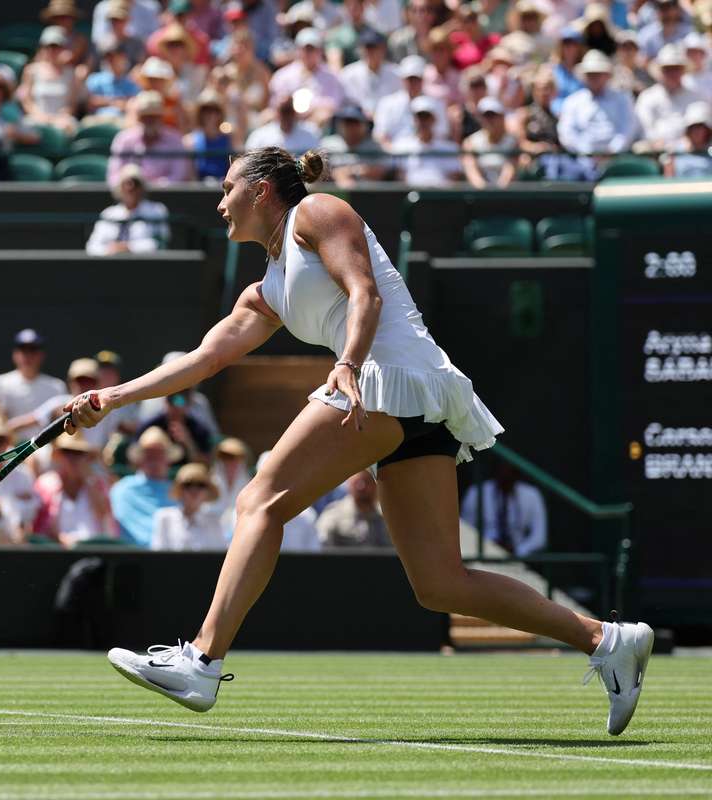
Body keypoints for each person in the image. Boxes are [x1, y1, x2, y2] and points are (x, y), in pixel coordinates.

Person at [71, 146, 649, 737]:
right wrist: (110, 398)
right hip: (415, 404)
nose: (219, 204)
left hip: (387, 380)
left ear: (262, 190)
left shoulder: (317, 211)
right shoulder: (265, 290)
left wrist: (346, 362)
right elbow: (203, 361)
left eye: (227, 189)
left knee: (259, 500)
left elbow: (364, 292)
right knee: (441, 584)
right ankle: (606, 639)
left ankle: (202, 659)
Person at [32, 431, 115, 545]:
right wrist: (61, 541)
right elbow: (39, 525)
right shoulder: (45, 483)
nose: (73, 458)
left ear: (87, 457)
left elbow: (105, 517)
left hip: (93, 548)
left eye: (78, 453)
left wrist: (89, 482)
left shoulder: (98, 484)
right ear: (59, 456)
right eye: (67, 452)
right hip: (55, 549)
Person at [558, 50, 638, 161]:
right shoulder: (572, 102)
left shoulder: (622, 99)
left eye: (598, 74)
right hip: (581, 159)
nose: (594, 78)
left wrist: (612, 151)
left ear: (607, 75)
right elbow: (567, 133)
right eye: (590, 74)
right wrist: (587, 153)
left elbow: (628, 128)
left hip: (617, 158)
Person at [108, 426, 181, 545]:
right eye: (149, 454)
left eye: (159, 454)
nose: (154, 460)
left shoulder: (179, 490)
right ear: (140, 458)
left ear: (168, 459)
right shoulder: (123, 489)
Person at [461, 461, 547, 557]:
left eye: (511, 470)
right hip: (483, 555)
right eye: (503, 468)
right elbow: (465, 531)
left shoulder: (531, 495)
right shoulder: (476, 492)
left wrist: (518, 551)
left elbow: (539, 537)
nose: (506, 473)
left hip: (518, 558)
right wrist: (487, 547)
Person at [108, 90, 193, 185]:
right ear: (139, 118)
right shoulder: (124, 139)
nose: (150, 120)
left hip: (167, 193)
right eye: (145, 116)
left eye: (154, 116)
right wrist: (131, 186)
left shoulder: (175, 140)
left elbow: (179, 175)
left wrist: (154, 186)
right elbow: (114, 176)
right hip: (131, 192)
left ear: (161, 117)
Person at [87, 164, 171, 256]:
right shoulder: (108, 214)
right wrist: (109, 250)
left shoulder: (157, 211)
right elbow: (92, 247)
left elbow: (160, 244)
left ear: (142, 188)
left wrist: (129, 247)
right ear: (120, 188)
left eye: (135, 183)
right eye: (126, 183)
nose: (130, 188)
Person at [267, 28, 342, 129]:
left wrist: (311, 108)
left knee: (323, 115)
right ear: (297, 50)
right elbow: (276, 101)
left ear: (320, 51)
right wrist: (293, 111)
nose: (307, 53)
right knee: (267, 116)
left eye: (311, 49)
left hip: (316, 122)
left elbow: (333, 104)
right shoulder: (283, 75)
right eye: (304, 49)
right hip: (288, 119)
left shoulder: (330, 76)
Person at [636, 44, 702, 153]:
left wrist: (686, 143)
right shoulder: (647, 97)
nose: (673, 73)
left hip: (689, 152)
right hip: (655, 152)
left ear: (683, 71)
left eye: (676, 69)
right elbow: (644, 127)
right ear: (661, 71)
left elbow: (700, 126)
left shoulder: (695, 97)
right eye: (668, 69)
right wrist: (656, 142)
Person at [18, 26, 82, 134]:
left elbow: (72, 104)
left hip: (62, 120)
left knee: (70, 128)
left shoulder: (71, 73)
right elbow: (26, 100)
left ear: (63, 48)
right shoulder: (30, 71)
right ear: (42, 48)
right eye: (48, 47)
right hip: (36, 117)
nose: (52, 50)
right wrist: (40, 116)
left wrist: (59, 117)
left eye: (56, 47)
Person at [150, 462, 225, 550]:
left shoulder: (214, 521)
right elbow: (158, 553)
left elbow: (220, 553)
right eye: (188, 485)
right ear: (180, 490)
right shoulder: (164, 517)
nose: (194, 490)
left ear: (207, 492)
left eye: (201, 485)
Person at [390, 96, 463, 185]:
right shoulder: (401, 146)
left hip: (441, 192)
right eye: (419, 117)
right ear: (414, 120)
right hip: (411, 192)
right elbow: (400, 176)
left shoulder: (449, 148)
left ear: (434, 119)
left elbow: (454, 177)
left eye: (426, 117)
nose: (423, 122)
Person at [0, 330, 68, 419]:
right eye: (23, 350)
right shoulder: (2, 383)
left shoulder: (57, 386)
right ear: (15, 354)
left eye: (33, 350)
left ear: (42, 355)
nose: (28, 356)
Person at [316, 470, 391, 547]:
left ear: (376, 485)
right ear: (349, 484)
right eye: (357, 482)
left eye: (367, 481)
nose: (361, 487)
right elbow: (322, 545)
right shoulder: (333, 515)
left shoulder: (388, 517)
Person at [339, 28, 402, 117]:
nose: (369, 52)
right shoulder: (348, 74)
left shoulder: (397, 73)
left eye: (374, 48)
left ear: (383, 49)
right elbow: (346, 103)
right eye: (367, 48)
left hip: (389, 120)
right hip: (358, 120)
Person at [321, 104, 387, 185]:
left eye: (355, 123)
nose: (350, 127)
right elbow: (318, 173)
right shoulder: (328, 144)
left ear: (365, 125)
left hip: (367, 189)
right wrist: (337, 174)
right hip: (334, 189)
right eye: (347, 123)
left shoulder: (374, 146)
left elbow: (381, 172)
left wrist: (352, 171)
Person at [463, 97, 517, 188]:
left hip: (506, 193)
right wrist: (484, 190)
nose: (489, 120)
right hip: (479, 194)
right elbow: (472, 172)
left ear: (502, 117)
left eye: (493, 115)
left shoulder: (513, 142)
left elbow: (509, 172)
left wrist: (497, 192)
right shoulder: (470, 142)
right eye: (485, 116)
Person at [244, 93, 320, 154]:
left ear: (294, 112)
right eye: (282, 111)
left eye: (288, 111)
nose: (286, 116)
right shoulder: (259, 136)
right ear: (276, 113)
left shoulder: (311, 135)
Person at [87, 42, 140, 119]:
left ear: (124, 58)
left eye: (115, 57)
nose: (111, 60)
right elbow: (89, 103)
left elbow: (134, 103)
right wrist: (113, 102)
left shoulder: (132, 82)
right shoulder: (95, 79)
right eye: (108, 58)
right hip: (98, 120)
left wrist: (123, 103)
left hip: (122, 121)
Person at [663, 102, 712, 178]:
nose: (696, 131)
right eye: (693, 127)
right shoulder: (674, 154)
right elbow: (669, 179)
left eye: (700, 126)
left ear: (707, 130)